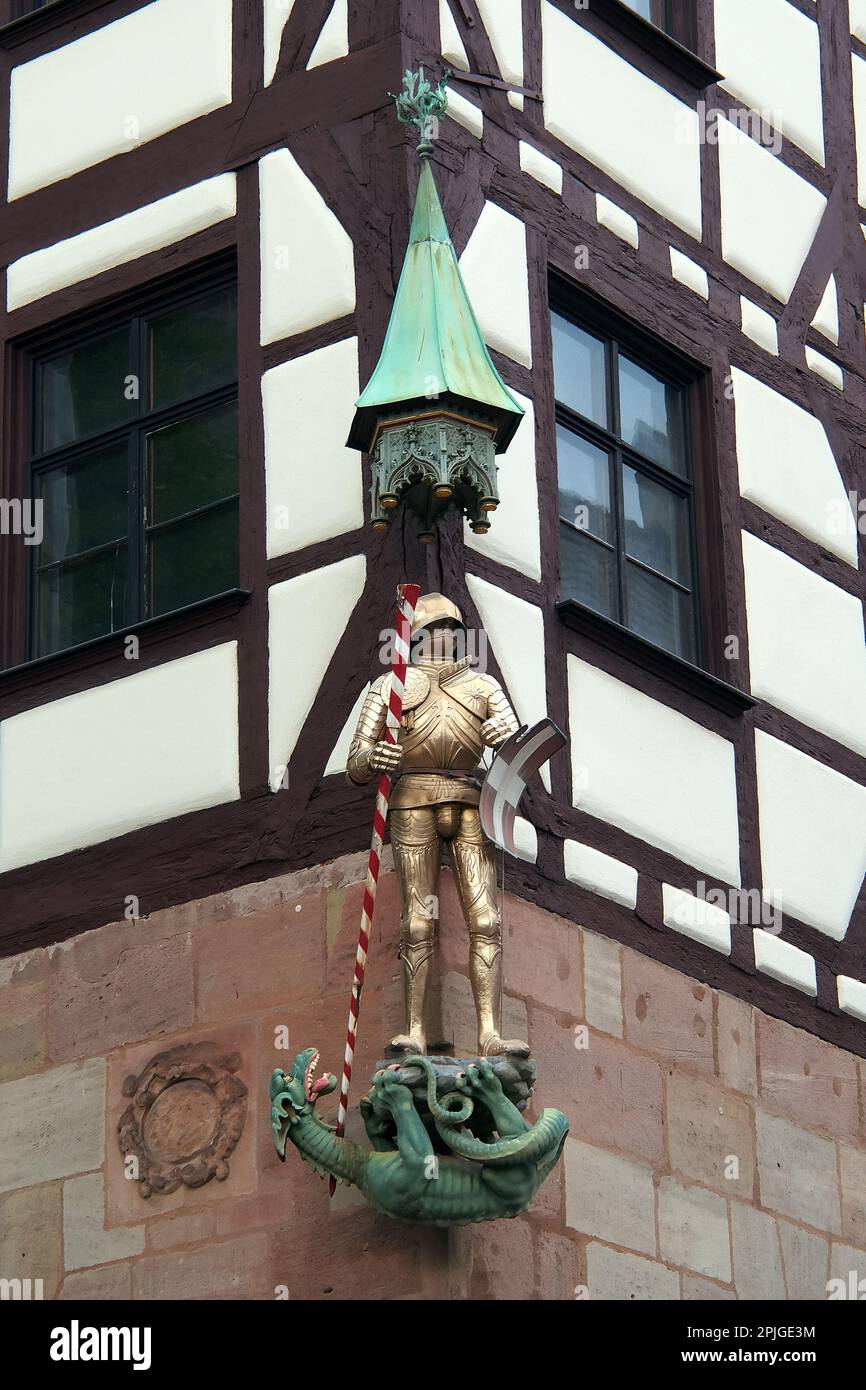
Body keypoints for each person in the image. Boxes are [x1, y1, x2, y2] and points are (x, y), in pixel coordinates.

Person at [347, 592, 530, 1057]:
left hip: (472, 799)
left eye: (453, 631)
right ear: (419, 636)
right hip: (413, 801)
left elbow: (518, 751)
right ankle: (415, 1030)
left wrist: (500, 739)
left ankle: (488, 1032)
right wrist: (376, 756)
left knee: (486, 919)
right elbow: (356, 762)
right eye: (437, 631)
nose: (446, 639)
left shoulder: (484, 687)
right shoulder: (390, 686)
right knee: (417, 922)